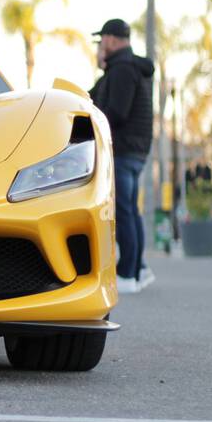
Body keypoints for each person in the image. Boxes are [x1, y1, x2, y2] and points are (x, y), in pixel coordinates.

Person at [90, 18, 155, 294]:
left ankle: (128, 272)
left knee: (124, 211)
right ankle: (138, 269)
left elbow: (115, 112)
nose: (100, 45)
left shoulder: (122, 70)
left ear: (112, 40)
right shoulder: (121, 69)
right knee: (130, 209)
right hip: (136, 150)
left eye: (102, 40)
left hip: (124, 149)